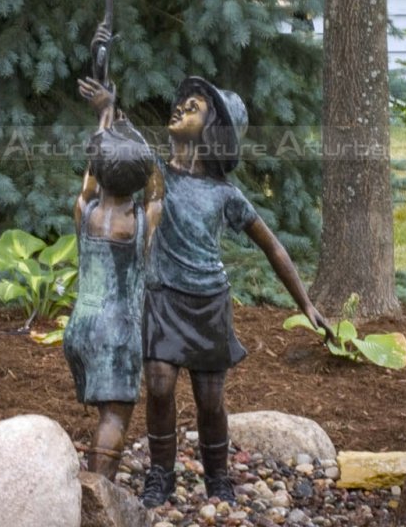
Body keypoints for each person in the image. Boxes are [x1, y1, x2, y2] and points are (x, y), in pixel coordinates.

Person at [138, 75, 334, 507]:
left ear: (213, 131)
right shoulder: (154, 172)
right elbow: (114, 140)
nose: (180, 108)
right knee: (158, 384)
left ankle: (218, 477)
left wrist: (306, 303)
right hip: (163, 296)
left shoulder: (225, 193)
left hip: (209, 303)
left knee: (210, 400)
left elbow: (273, 247)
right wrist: (102, 75)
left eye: (193, 108)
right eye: (182, 103)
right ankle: (159, 475)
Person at [63, 74, 161, 481]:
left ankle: (92, 479)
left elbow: (92, 171)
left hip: (80, 329)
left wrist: (105, 114)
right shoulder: (139, 223)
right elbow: (157, 191)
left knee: (105, 413)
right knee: (116, 418)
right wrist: (140, 148)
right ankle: (97, 495)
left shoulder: (85, 211)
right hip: (115, 334)